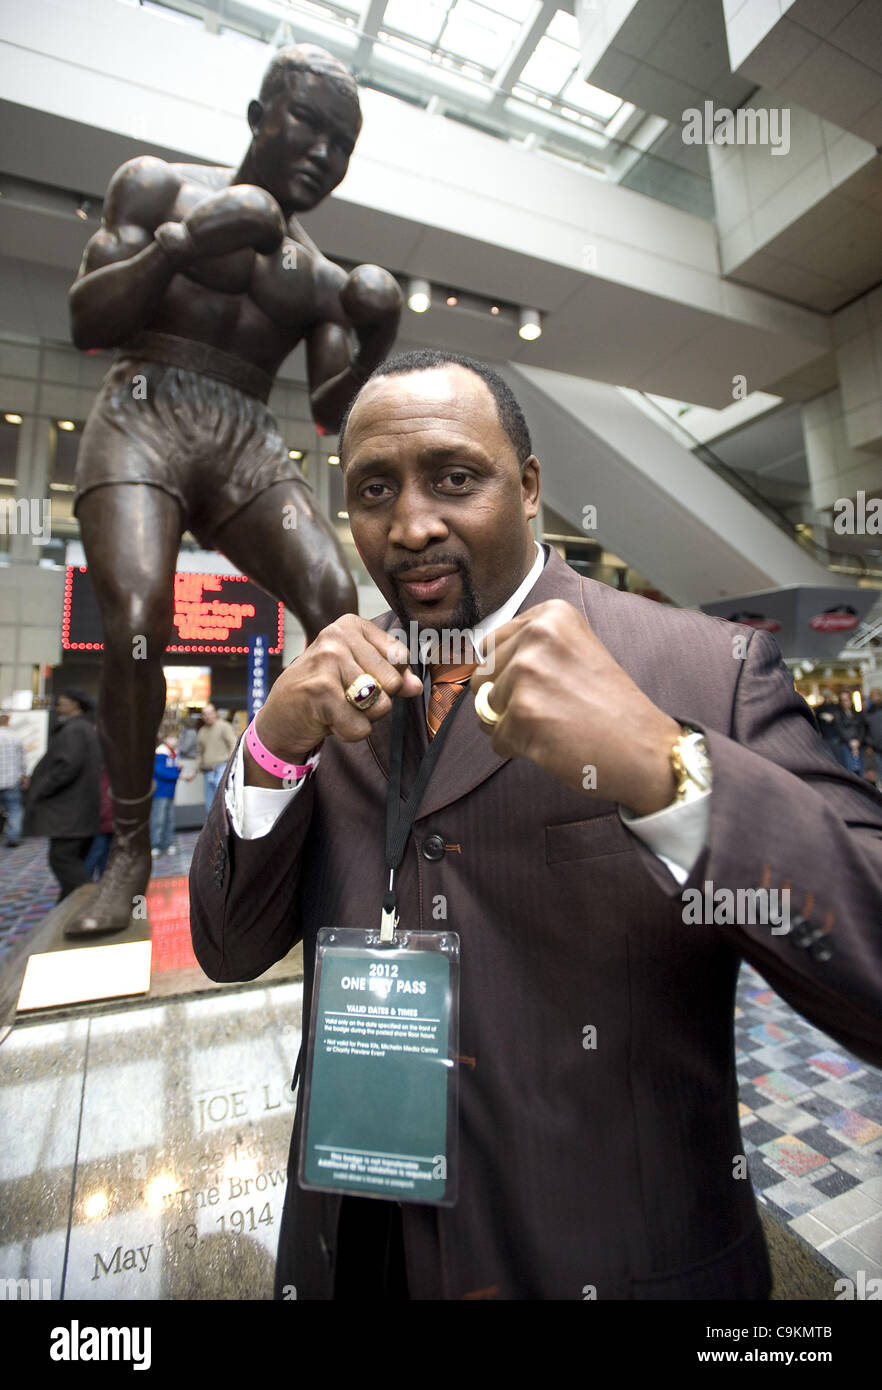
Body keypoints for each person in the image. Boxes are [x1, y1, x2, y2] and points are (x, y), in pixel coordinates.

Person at [189, 350, 882, 1301]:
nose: (412, 524)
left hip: (599, 1261)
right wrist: (270, 746)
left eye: (455, 478)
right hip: (358, 1246)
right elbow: (228, 946)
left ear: (529, 489)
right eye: (374, 490)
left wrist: (665, 766)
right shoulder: (335, 686)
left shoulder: (698, 667)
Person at [64, 43, 402, 938]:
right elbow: (87, 320)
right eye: (311, 125)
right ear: (261, 116)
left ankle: (319, 810)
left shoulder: (321, 278)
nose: (324, 154)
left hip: (246, 435)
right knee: (138, 619)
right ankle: (130, 852)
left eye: (344, 144)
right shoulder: (156, 187)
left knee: (334, 597)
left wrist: (375, 337)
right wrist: (180, 246)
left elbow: (332, 413)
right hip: (143, 407)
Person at [24, 690, 102, 902]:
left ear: (75, 705)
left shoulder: (75, 730)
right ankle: (69, 907)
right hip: (78, 809)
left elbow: (66, 767)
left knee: (63, 859)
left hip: (70, 810)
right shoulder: (84, 728)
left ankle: (86, 902)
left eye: (62, 702)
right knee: (72, 859)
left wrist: (41, 788)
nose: (58, 707)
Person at [186, 704, 236, 813]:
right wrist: (194, 772)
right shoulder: (202, 731)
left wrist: (229, 763)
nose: (207, 716)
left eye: (210, 713)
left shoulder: (224, 726)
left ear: (215, 714)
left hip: (221, 769)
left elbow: (233, 745)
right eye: (205, 714)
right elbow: (200, 754)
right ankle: (214, 829)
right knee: (210, 806)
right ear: (202, 717)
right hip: (207, 772)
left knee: (222, 802)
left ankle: (225, 829)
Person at [150, 728, 181, 856]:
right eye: (173, 738)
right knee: (158, 819)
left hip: (169, 792)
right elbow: (160, 771)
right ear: (166, 739)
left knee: (169, 819)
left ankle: (167, 843)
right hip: (160, 792)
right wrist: (176, 773)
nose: (176, 740)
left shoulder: (171, 753)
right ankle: (155, 844)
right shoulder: (161, 753)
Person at [0, 713, 27, 848]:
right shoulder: (15, 738)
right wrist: (23, 775)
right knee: (14, 808)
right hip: (11, 779)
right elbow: (22, 759)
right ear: (8, 722)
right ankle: (13, 836)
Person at [835, 690, 866, 775]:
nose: (846, 702)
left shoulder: (857, 713)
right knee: (850, 769)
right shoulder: (838, 714)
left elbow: (862, 727)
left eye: (847, 700)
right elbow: (840, 729)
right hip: (846, 744)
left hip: (859, 743)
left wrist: (858, 741)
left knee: (861, 769)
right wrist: (850, 742)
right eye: (843, 700)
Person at [863, 687, 882, 789]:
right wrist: (869, 744)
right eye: (873, 696)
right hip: (876, 747)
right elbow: (866, 730)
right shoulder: (867, 713)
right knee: (879, 771)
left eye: (877, 695)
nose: (876, 698)